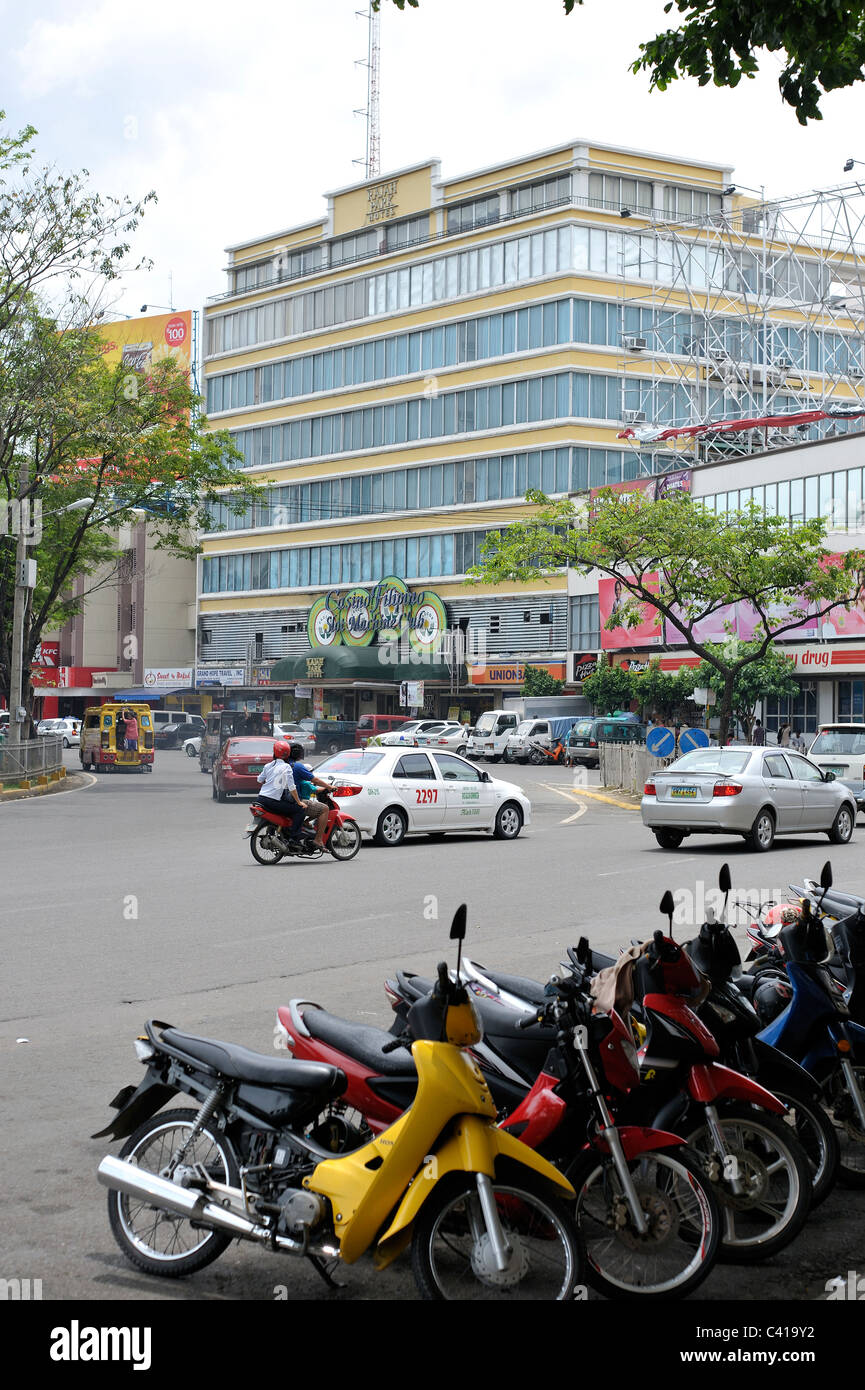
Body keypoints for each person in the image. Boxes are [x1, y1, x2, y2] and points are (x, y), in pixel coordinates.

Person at [256, 740, 305, 846]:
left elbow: (259, 780)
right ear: (288, 754)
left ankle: (278, 832)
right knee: (299, 810)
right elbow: (292, 787)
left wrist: (269, 782)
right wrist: (299, 802)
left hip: (260, 799)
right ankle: (294, 838)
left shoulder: (268, 766)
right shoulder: (286, 767)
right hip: (272, 801)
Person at [287, 743, 330, 849]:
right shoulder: (297, 766)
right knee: (324, 809)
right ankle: (318, 840)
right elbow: (315, 780)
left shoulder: (279, 765)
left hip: (279, 799)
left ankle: (305, 824)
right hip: (295, 800)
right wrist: (328, 786)